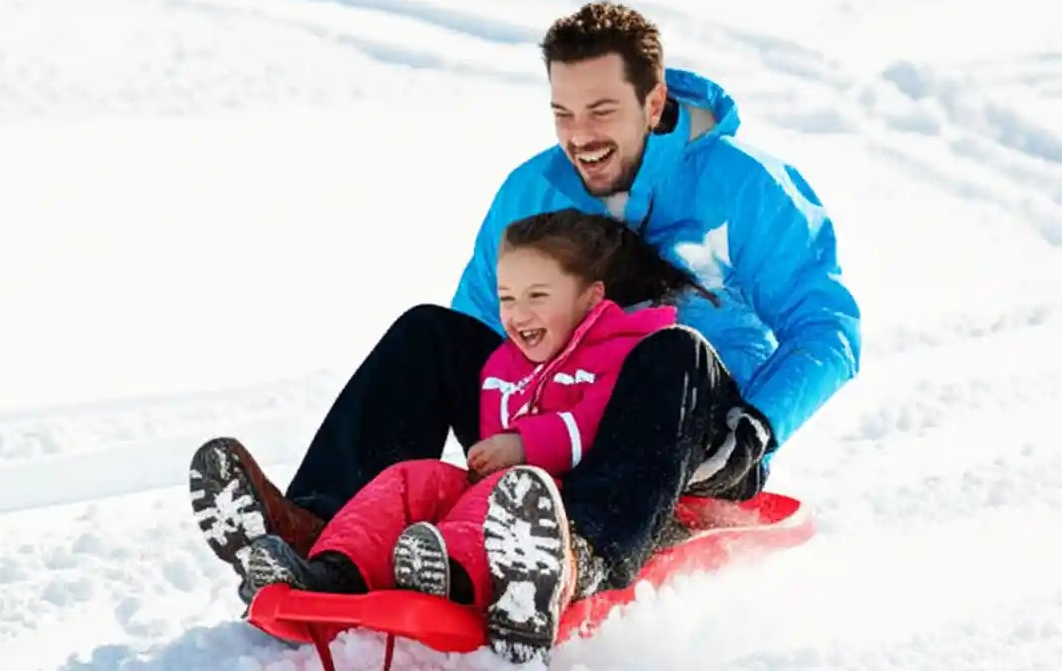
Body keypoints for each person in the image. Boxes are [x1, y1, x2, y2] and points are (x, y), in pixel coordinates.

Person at [189, 0, 860, 660]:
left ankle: (581, 555)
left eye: (601, 111)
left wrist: (756, 424)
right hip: (556, 413)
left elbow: (829, 327)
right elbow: (481, 328)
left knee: (670, 349)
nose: (580, 136)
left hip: (685, 435)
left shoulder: (743, 186)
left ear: (653, 103)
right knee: (430, 332)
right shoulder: (534, 191)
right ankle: (325, 532)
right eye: (563, 113)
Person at [231, 209, 716, 663]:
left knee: (496, 506)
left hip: (588, 481)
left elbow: (599, 420)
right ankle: (326, 559)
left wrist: (746, 434)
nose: (517, 311)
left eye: (535, 296)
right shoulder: (517, 336)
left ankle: (546, 568)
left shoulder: (627, 347)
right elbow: (482, 334)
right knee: (414, 480)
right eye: (508, 298)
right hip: (502, 473)